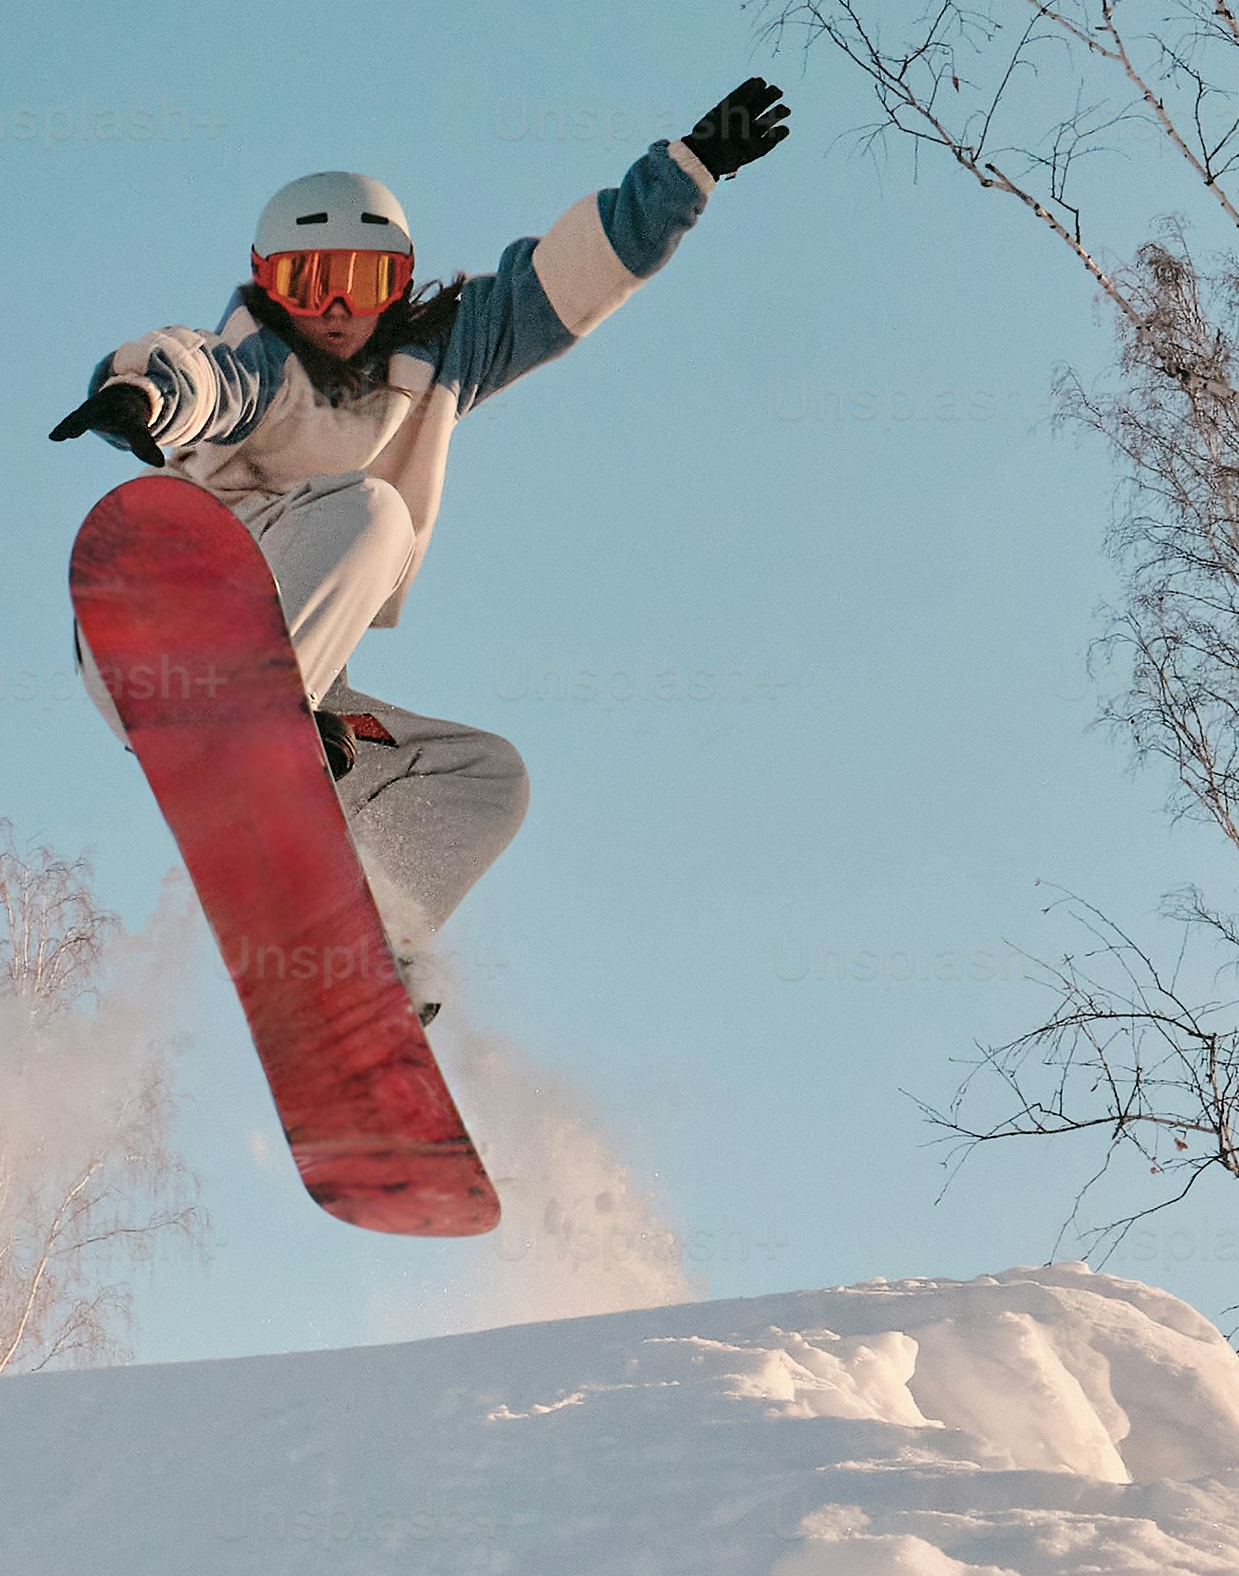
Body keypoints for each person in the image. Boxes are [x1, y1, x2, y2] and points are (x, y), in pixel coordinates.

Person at [48, 78, 792, 1018]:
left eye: (360, 282)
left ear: (398, 282)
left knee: (486, 776)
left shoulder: (448, 348)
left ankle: (370, 939)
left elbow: (562, 279)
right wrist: (140, 399)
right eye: (303, 284)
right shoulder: (256, 360)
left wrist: (687, 169)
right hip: (166, 636)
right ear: (265, 285)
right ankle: (262, 730)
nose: (331, 310)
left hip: (297, 684)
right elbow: (194, 372)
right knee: (375, 514)